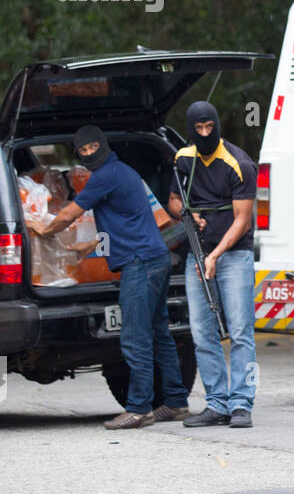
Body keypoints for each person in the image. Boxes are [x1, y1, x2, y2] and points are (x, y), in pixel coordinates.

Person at [34, 126, 189, 429]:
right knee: (159, 333)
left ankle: (139, 408)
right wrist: (90, 246)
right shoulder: (122, 171)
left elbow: (68, 215)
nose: (90, 154)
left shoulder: (105, 175)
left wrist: (42, 230)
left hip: (140, 264)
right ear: (78, 153)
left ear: (102, 145)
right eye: (84, 151)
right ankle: (175, 401)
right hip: (155, 258)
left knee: (135, 337)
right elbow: (126, 220)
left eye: (93, 148)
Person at [168, 101, 258, 429]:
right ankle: (216, 402)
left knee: (239, 330)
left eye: (210, 127)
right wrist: (185, 213)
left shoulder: (239, 163)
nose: (205, 133)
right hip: (197, 253)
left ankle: (241, 404)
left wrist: (215, 255)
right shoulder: (183, 159)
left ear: (216, 125)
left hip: (233, 256)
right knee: (202, 332)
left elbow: (242, 221)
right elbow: (174, 199)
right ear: (191, 130)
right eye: (199, 129)